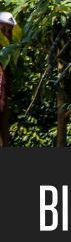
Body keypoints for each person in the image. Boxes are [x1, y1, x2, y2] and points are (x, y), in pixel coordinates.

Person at [0, 11, 15, 147]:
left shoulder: (6, 62)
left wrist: (5, 142)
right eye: (2, 30)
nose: (6, 34)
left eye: (9, 31)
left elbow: (4, 104)